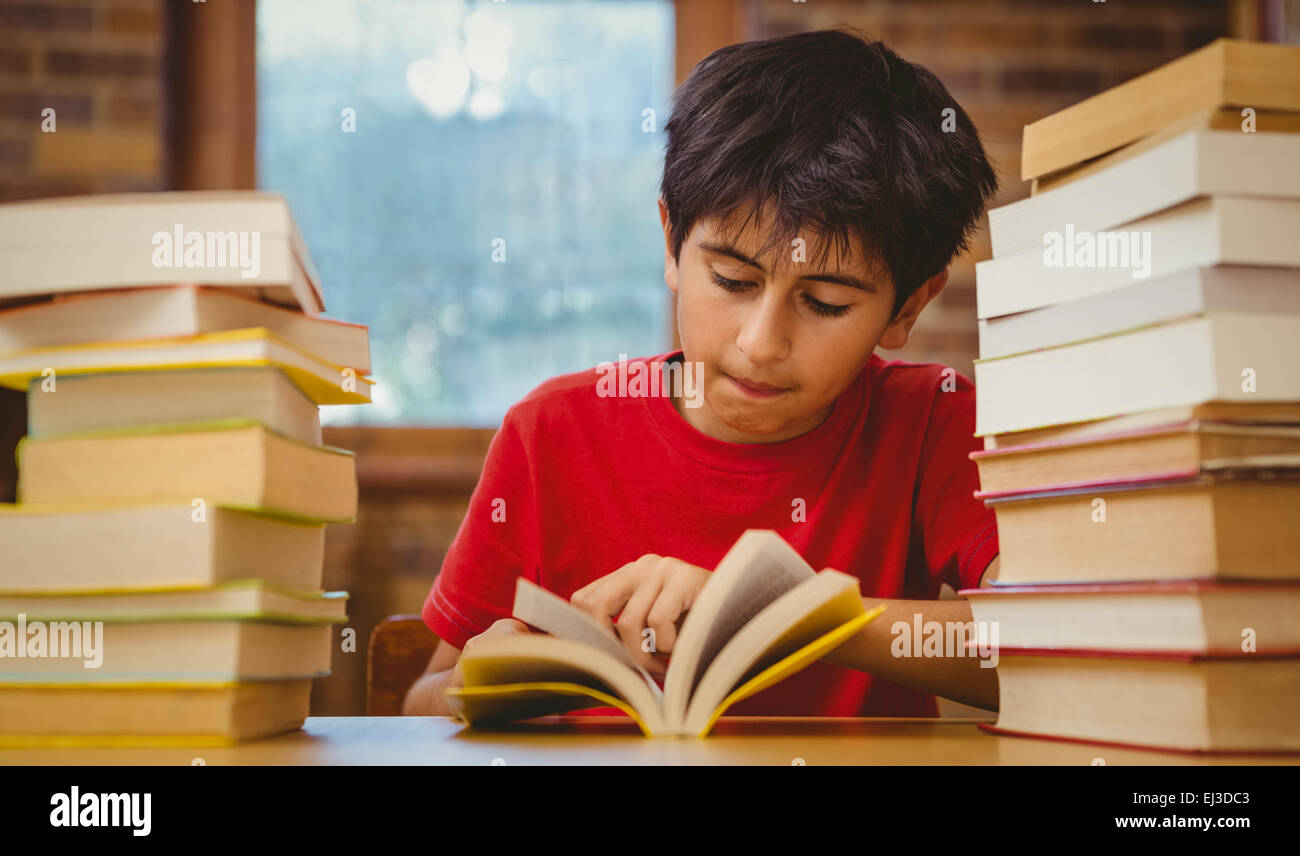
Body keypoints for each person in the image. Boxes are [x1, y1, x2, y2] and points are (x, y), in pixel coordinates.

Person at [404, 29, 1001, 719]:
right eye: (731, 280)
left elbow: (1059, 647)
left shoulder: (935, 420)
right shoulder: (551, 433)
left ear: (910, 306)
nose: (761, 344)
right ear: (670, 243)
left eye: (826, 303)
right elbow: (416, 704)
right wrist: (479, 686)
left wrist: (797, 614)